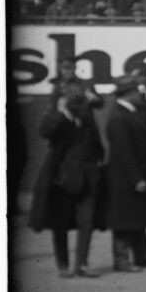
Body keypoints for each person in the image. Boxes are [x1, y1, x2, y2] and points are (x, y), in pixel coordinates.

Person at [30, 86, 104, 278]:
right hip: (61, 180)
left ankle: (82, 265)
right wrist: (59, 111)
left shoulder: (86, 118)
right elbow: (44, 131)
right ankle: (63, 265)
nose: (81, 109)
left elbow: (94, 140)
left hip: (86, 177)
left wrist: (98, 160)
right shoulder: (58, 120)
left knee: (87, 221)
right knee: (60, 224)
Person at [100, 72, 146, 272]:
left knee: (137, 217)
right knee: (125, 220)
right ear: (128, 93)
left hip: (137, 172)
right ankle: (121, 260)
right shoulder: (119, 118)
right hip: (125, 177)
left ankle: (142, 256)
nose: (140, 93)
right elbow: (124, 152)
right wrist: (136, 178)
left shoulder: (132, 112)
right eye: (136, 90)